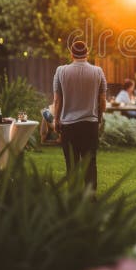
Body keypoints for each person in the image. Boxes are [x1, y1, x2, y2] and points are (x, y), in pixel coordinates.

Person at [53, 40, 106, 191]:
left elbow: (57, 100)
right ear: (87, 53)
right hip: (90, 123)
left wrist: (57, 120)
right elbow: (102, 100)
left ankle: (73, 195)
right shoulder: (98, 71)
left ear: (71, 54)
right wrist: (99, 117)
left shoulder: (61, 71)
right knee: (90, 162)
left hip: (68, 124)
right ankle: (90, 196)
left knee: (71, 162)